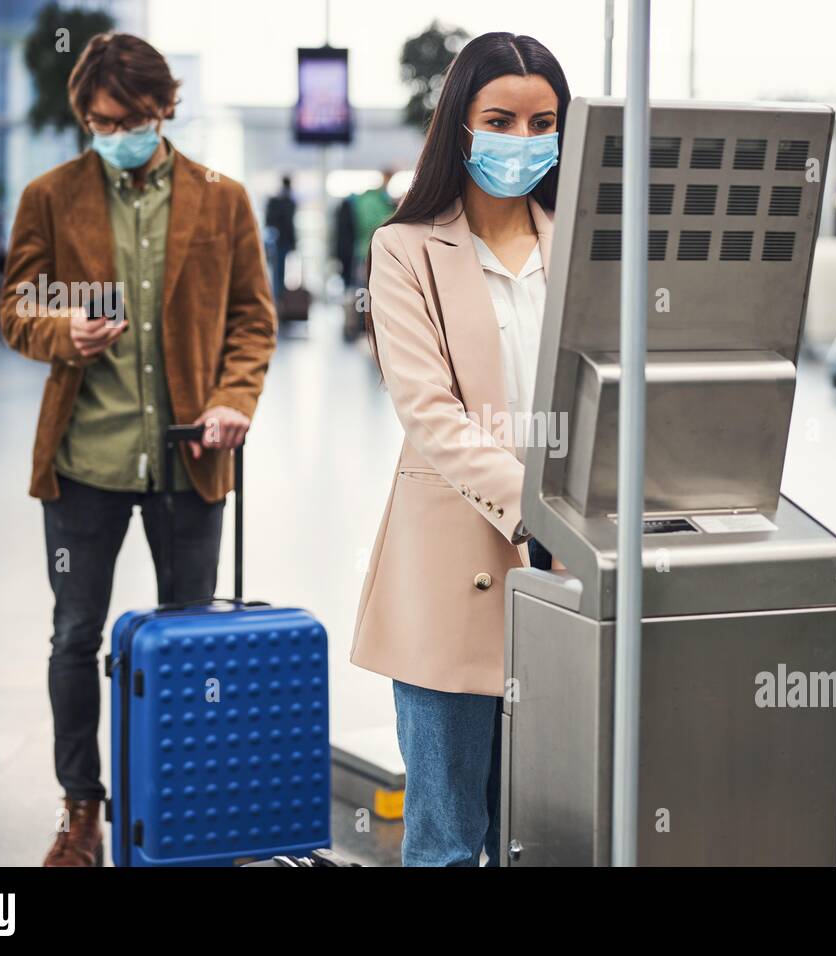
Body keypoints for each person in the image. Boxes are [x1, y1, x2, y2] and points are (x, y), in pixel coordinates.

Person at [0, 32, 277, 866]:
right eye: (93, 119)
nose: (107, 131)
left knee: (190, 641)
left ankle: (188, 804)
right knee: (74, 636)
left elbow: (252, 319)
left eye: (122, 118)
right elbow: (15, 307)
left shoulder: (221, 198)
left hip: (190, 459)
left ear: (161, 111)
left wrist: (233, 399)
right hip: (83, 461)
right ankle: (81, 811)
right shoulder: (52, 195)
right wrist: (61, 331)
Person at [350, 31, 569, 866]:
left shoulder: (582, 250)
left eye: (542, 121)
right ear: (460, 125)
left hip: (564, 572)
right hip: (452, 567)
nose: (523, 141)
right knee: (446, 839)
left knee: (540, 830)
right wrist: (538, 511)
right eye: (500, 119)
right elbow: (431, 414)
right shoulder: (406, 250)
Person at [264, 175, 298, 304]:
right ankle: (278, 298)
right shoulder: (285, 202)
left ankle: (279, 298)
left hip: (280, 241)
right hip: (279, 242)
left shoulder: (279, 202)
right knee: (278, 271)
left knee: (279, 271)